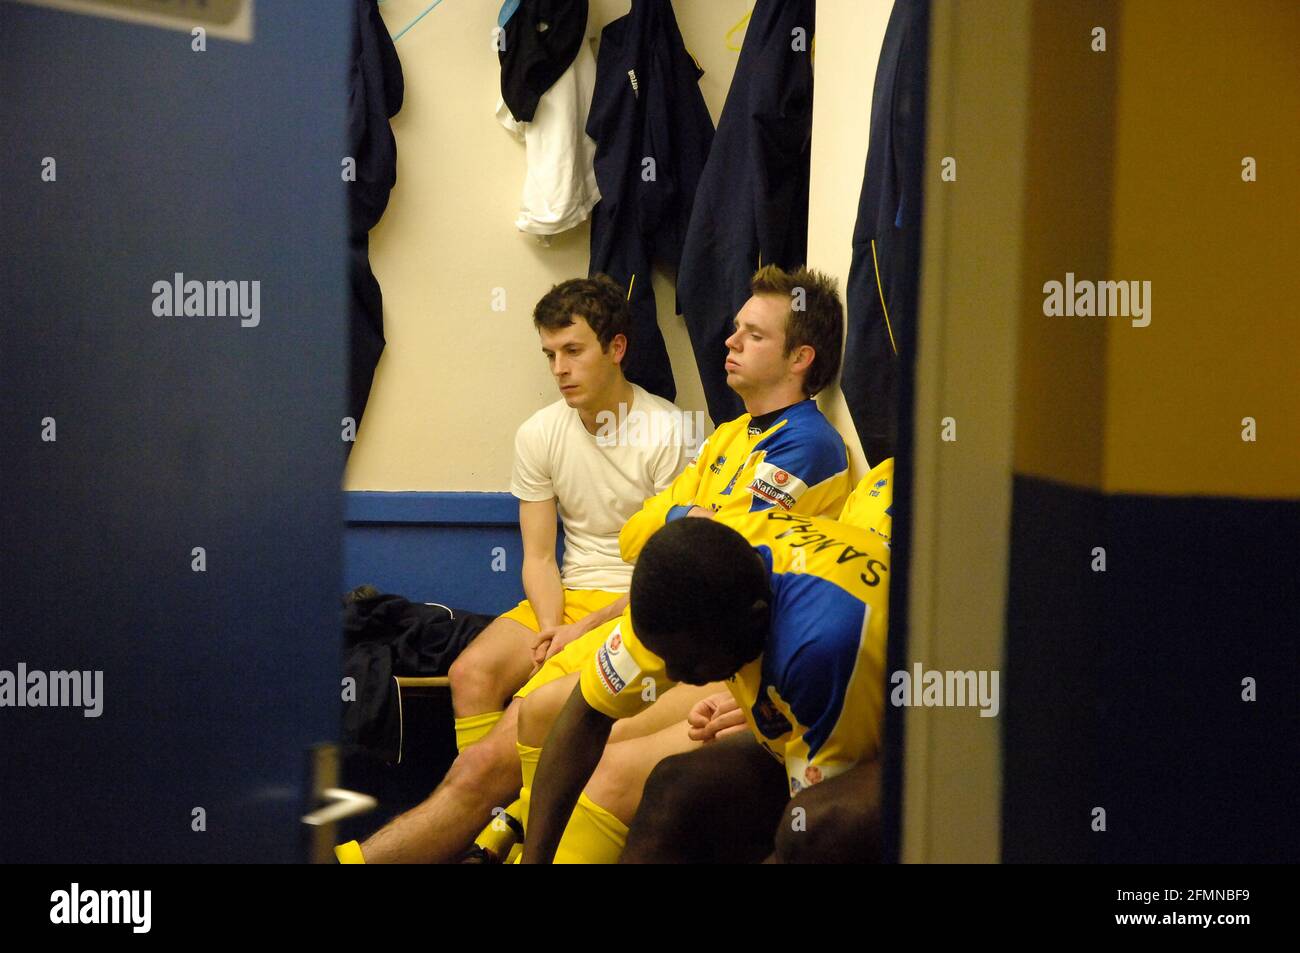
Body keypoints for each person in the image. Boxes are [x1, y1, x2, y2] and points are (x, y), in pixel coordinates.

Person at [336, 275, 689, 864]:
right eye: (549, 354)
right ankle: (480, 810)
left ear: (617, 348)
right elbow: (537, 557)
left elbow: (668, 578)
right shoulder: (540, 433)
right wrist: (553, 624)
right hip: (568, 597)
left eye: (573, 350)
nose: (559, 368)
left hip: (635, 605)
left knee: (536, 702)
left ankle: (494, 822)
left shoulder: (668, 433)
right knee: (472, 671)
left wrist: (576, 634)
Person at [520, 508, 890, 864]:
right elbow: (586, 716)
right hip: (816, 714)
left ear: (754, 620)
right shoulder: (687, 579)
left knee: (809, 831)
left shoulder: (821, 646)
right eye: (664, 658)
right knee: (673, 787)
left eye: (691, 664)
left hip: (922, 763)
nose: (675, 675)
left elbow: (814, 829)